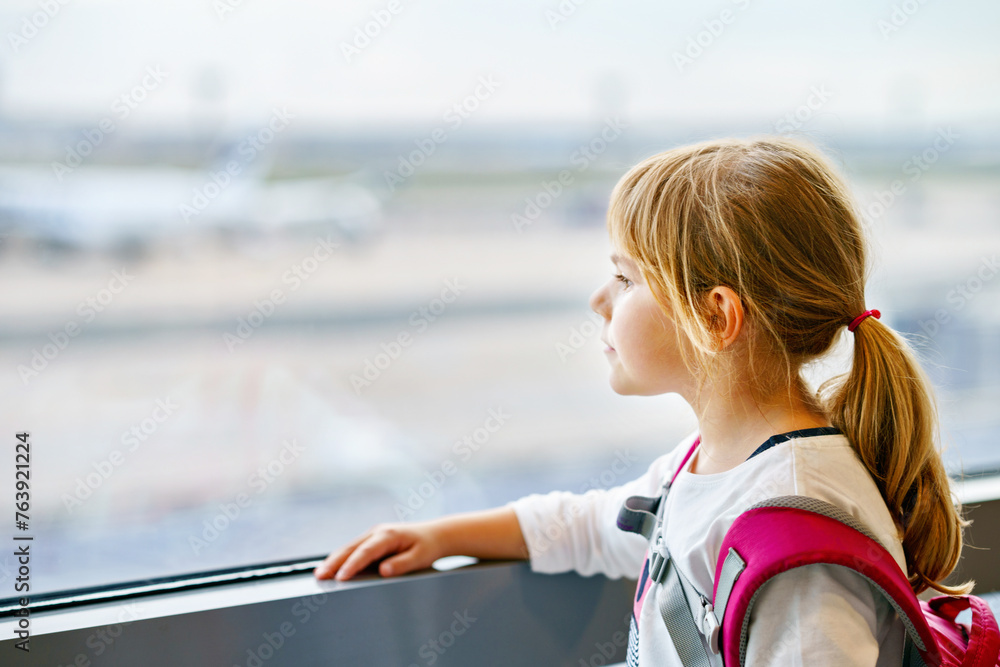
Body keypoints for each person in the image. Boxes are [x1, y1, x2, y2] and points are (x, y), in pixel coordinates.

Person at [314, 136, 971, 665]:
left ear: (716, 316)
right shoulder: (716, 462)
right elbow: (600, 524)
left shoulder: (799, 542)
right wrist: (438, 536)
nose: (600, 299)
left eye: (626, 276)